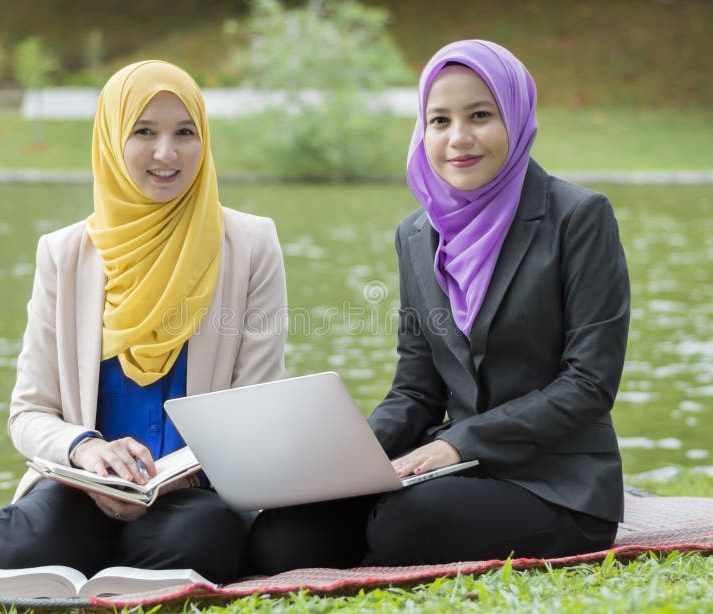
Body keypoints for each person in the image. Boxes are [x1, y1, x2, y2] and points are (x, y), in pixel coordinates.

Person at [247, 39, 629, 572]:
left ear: (515, 117)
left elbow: (589, 382)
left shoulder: (578, 217)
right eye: (439, 120)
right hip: (456, 471)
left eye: (480, 115)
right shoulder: (417, 234)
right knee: (284, 536)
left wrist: (460, 443)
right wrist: (347, 460)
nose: (459, 138)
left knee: (406, 521)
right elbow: (416, 388)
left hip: (558, 482)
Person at [0, 60, 287, 588]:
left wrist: (167, 479)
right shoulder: (64, 254)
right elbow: (28, 413)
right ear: (112, 140)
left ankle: (112, 569)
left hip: (194, 492)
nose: (167, 153)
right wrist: (86, 449)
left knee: (201, 540)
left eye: (185, 133)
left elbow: (254, 408)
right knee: (30, 540)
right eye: (144, 131)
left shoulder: (249, 245)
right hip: (80, 489)